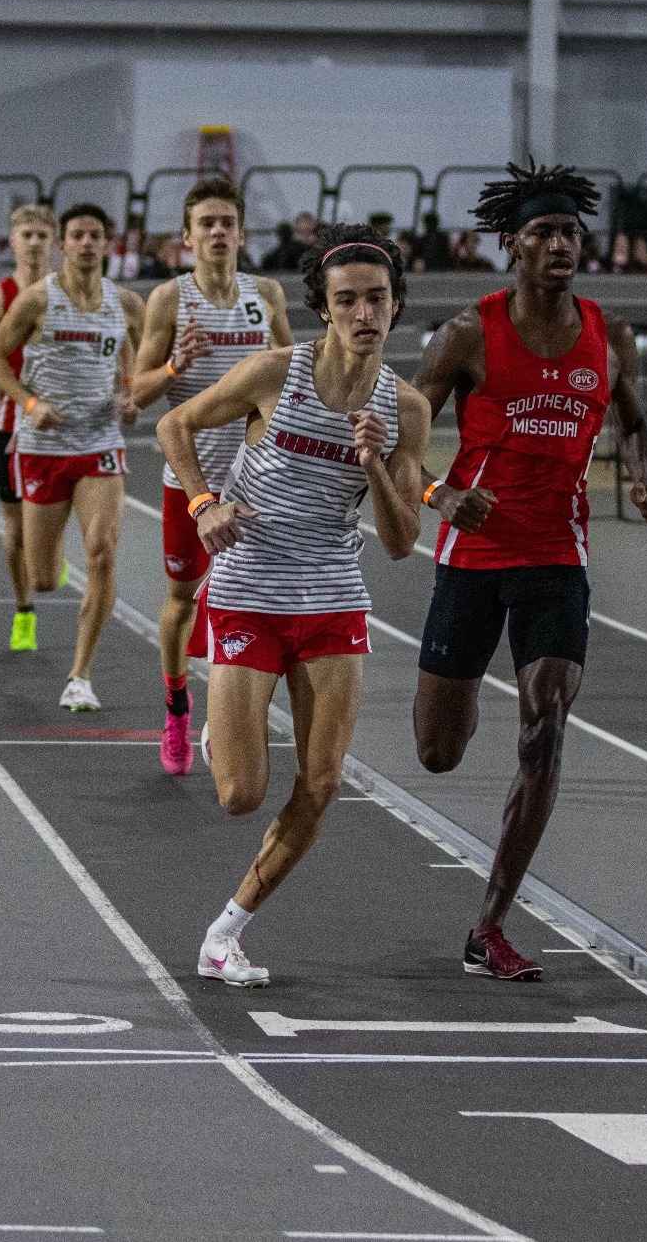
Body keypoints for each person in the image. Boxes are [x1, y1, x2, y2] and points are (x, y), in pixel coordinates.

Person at [410, 162, 647, 983]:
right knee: (438, 751)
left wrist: (643, 477)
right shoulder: (468, 333)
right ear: (511, 245)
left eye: (571, 233)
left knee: (546, 719)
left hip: (558, 555)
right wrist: (440, 494)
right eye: (544, 232)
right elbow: (400, 438)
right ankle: (465, 706)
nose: (561, 244)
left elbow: (634, 422)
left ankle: (489, 923)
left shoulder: (610, 333)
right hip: (474, 554)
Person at [157, 223, 430, 988]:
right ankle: (220, 731)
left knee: (322, 782)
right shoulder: (275, 372)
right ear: (324, 309)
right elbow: (174, 424)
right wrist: (203, 501)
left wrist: (373, 463)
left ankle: (225, 933)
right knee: (241, 795)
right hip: (250, 587)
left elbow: (402, 540)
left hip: (333, 597)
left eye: (377, 298)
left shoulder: (405, 408)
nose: (364, 313)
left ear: (396, 304)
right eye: (348, 300)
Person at [129, 179, 293, 776]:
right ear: (187, 236)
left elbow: (294, 372)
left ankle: (230, 715)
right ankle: (177, 707)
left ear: (242, 233)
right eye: (207, 223)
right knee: (182, 598)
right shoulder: (169, 300)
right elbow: (138, 393)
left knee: (255, 601)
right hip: (191, 478)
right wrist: (177, 365)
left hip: (256, 483)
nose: (218, 232)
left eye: (227, 222)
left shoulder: (265, 294)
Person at [0, 204, 144, 711]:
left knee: (103, 552)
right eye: (78, 235)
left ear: (107, 244)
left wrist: (129, 393)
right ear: (64, 244)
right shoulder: (36, 300)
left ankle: (80, 676)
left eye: (96, 235)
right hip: (43, 447)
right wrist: (30, 405)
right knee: (44, 578)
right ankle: (50, 569)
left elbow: (135, 357)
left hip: (99, 445)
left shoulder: (126, 303)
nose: (87, 243)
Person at [0, 204, 57, 654]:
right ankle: (24, 611)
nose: (34, 242)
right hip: (15, 423)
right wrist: (3, 343)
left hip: (64, 423)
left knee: (63, 518)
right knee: (16, 530)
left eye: (42, 235)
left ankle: (50, 555)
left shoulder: (69, 292)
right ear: (13, 241)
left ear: (54, 242)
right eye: (27, 235)